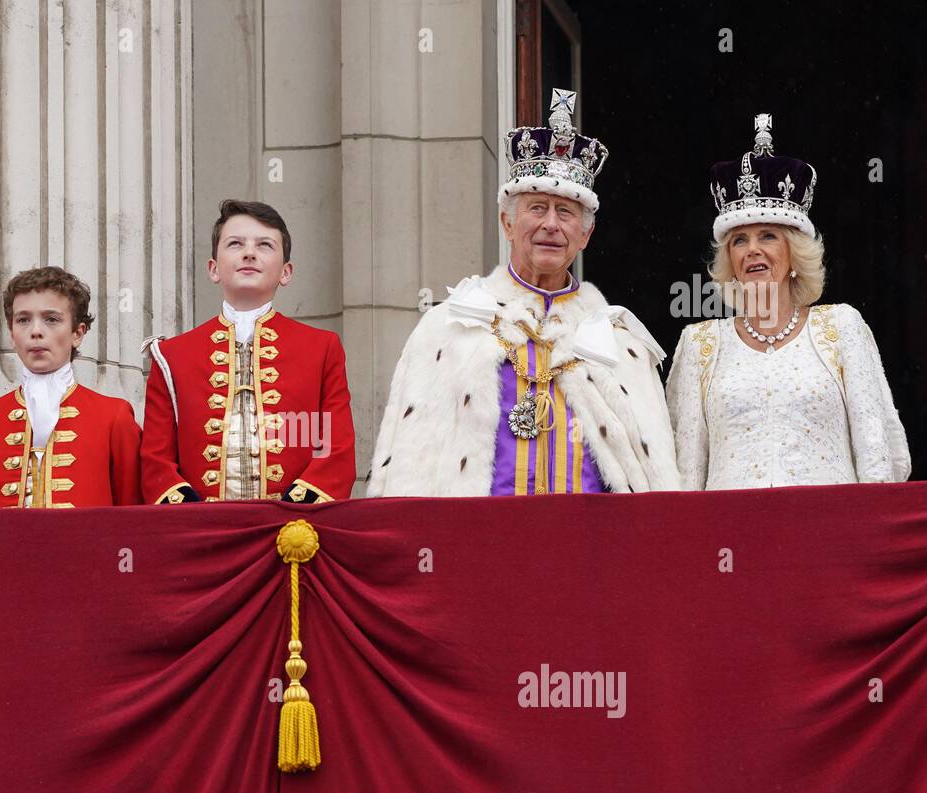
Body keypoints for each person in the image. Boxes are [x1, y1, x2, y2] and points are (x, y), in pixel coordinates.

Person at [366, 89, 678, 497]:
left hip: (594, 547)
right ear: (507, 223)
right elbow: (409, 464)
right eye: (536, 208)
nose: (551, 224)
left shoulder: (621, 343)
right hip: (483, 545)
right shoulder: (448, 327)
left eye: (565, 212)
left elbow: (655, 479)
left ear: (585, 234)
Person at [665, 114, 911, 489]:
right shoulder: (699, 345)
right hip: (732, 542)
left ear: (794, 252)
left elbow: (878, 457)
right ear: (728, 258)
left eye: (768, 236)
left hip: (829, 536)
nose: (753, 251)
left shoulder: (842, 328)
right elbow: (684, 476)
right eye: (739, 240)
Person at [141, 199, 355, 504]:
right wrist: (189, 512)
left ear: (286, 271)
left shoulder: (321, 348)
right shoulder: (171, 356)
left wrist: (296, 512)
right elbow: (155, 459)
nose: (249, 252)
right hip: (200, 530)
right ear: (213, 269)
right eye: (235, 244)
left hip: (293, 528)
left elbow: (334, 447)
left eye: (265, 245)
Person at [0, 266, 142, 508]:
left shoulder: (114, 417)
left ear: (77, 333)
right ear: (12, 335)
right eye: (23, 320)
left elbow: (131, 513)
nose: (36, 331)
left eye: (51, 320)